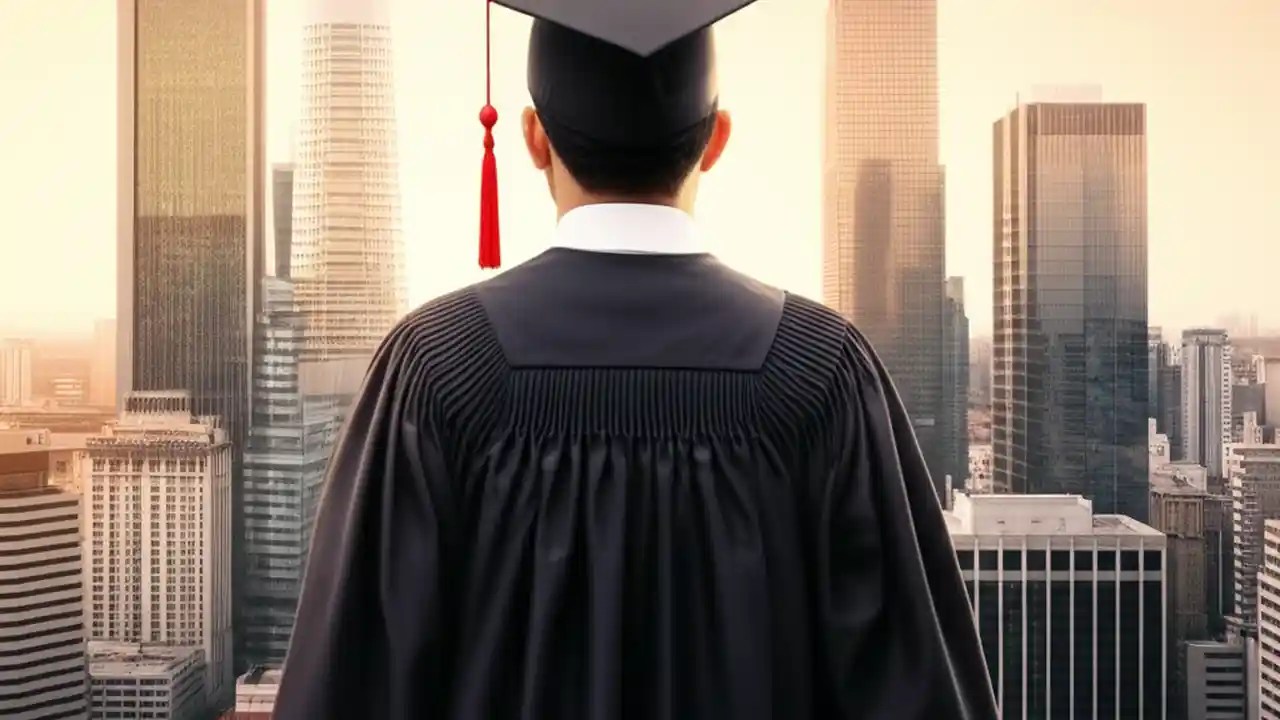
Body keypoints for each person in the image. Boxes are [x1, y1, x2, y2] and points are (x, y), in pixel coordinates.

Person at [274, 2, 998, 718]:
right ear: (716, 139)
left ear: (533, 138)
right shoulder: (822, 373)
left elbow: (350, 687)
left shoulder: (436, 368)